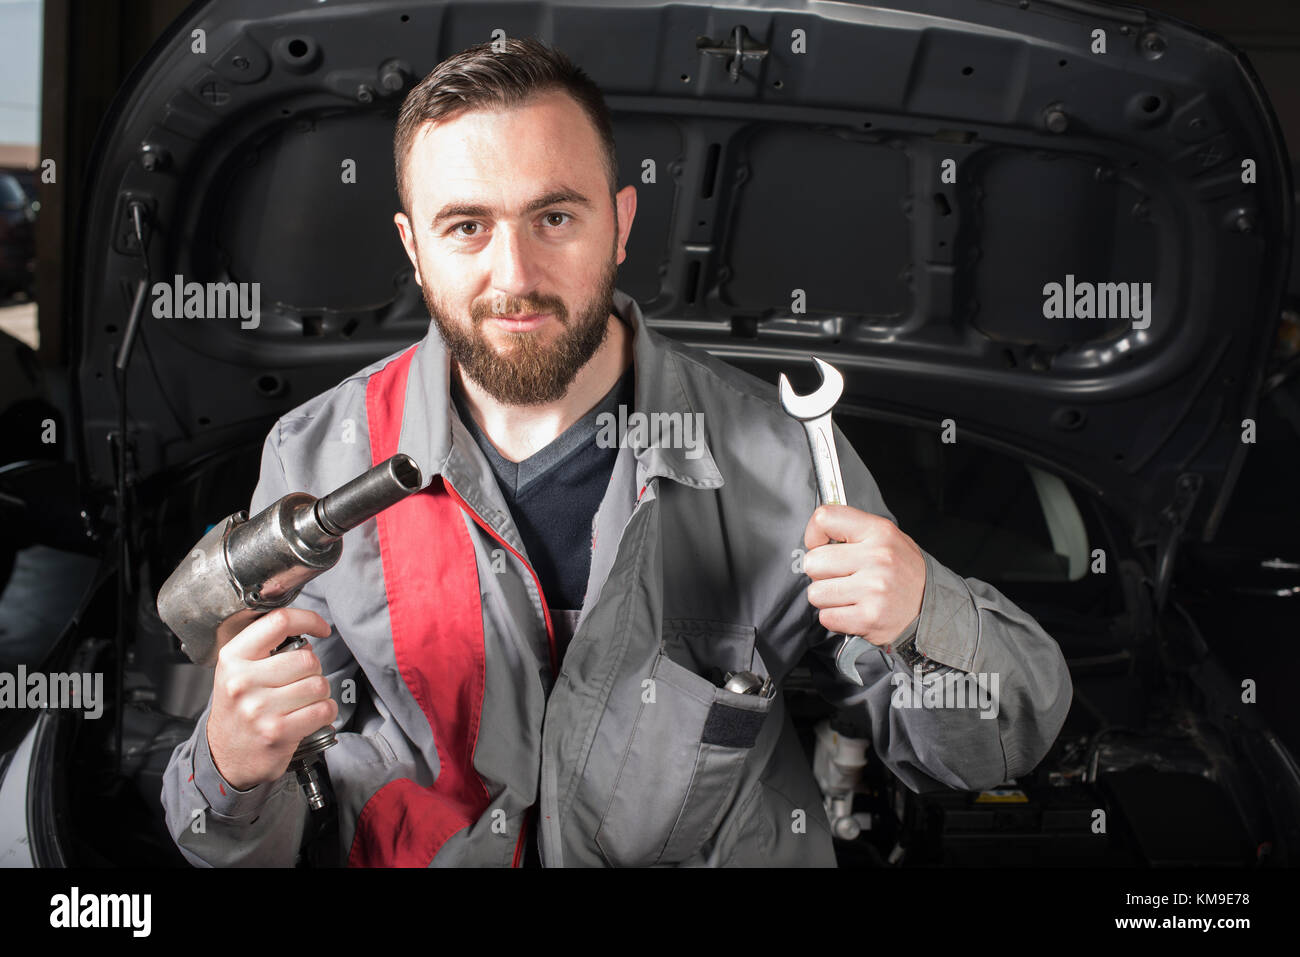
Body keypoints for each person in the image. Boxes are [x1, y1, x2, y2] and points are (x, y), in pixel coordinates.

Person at [162, 36, 1072, 867]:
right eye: (466, 225)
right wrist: (233, 769)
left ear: (621, 219)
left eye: (554, 217)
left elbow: (982, 756)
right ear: (413, 246)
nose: (513, 274)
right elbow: (238, 851)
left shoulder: (780, 456)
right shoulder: (316, 454)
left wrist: (925, 612)